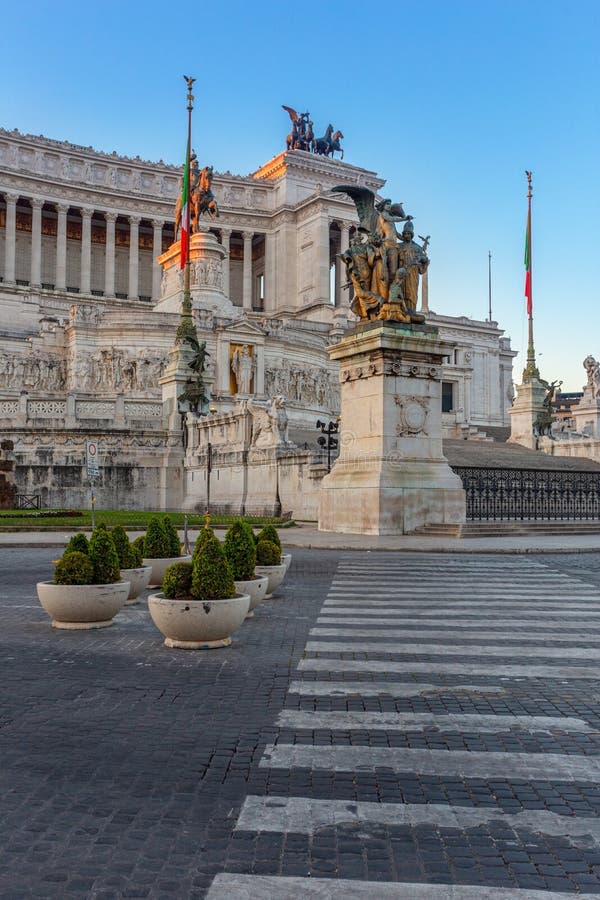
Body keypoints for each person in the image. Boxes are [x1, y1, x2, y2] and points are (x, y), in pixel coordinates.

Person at [396, 221, 429, 313]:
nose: (406, 235)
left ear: (411, 235)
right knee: (400, 291)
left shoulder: (417, 248)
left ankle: (411, 311)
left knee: (412, 292)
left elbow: (423, 263)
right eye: (405, 233)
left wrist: (424, 260)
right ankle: (400, 310)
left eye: (408, 233)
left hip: (413, 273)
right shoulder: (398, 246)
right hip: (401, 272)